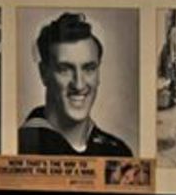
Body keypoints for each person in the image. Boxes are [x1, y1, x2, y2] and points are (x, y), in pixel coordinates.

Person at [18, 12, 133, 157]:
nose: (79, 85)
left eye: (89, 68)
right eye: (64, 69)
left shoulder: (118, 152)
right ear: (44, 73)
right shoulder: (20, 146)